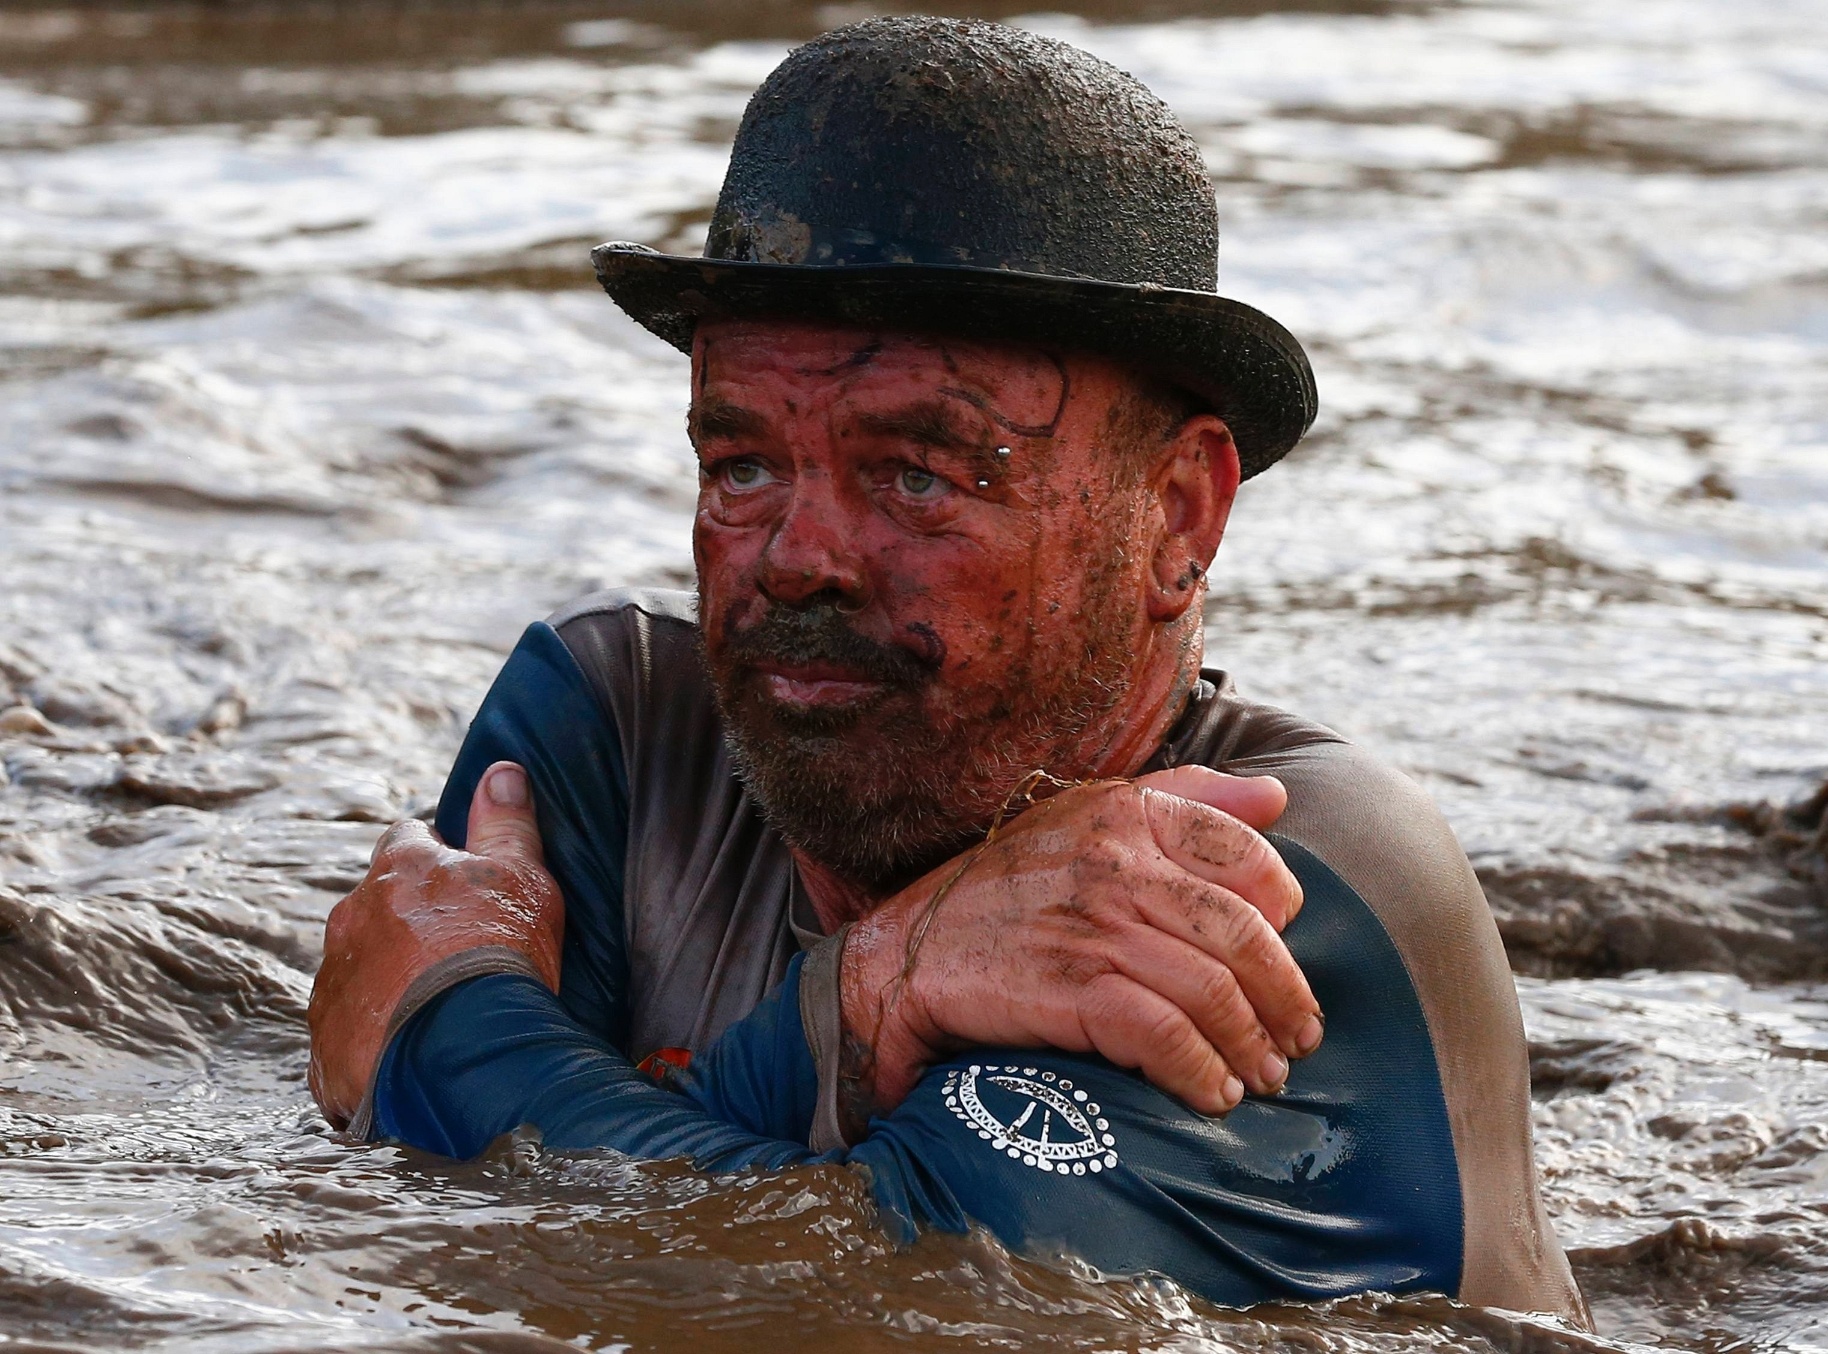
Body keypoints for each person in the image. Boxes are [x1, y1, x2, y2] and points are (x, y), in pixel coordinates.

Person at [306, 17, 1587, 1321]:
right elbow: (448, 1242)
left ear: (1180, 515)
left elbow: (859, 1302)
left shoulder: (1282, 885)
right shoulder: (614, 736)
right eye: (741, 462)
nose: (798, 557)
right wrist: (857, 1005)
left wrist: (452, 1020)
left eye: (922, 473)